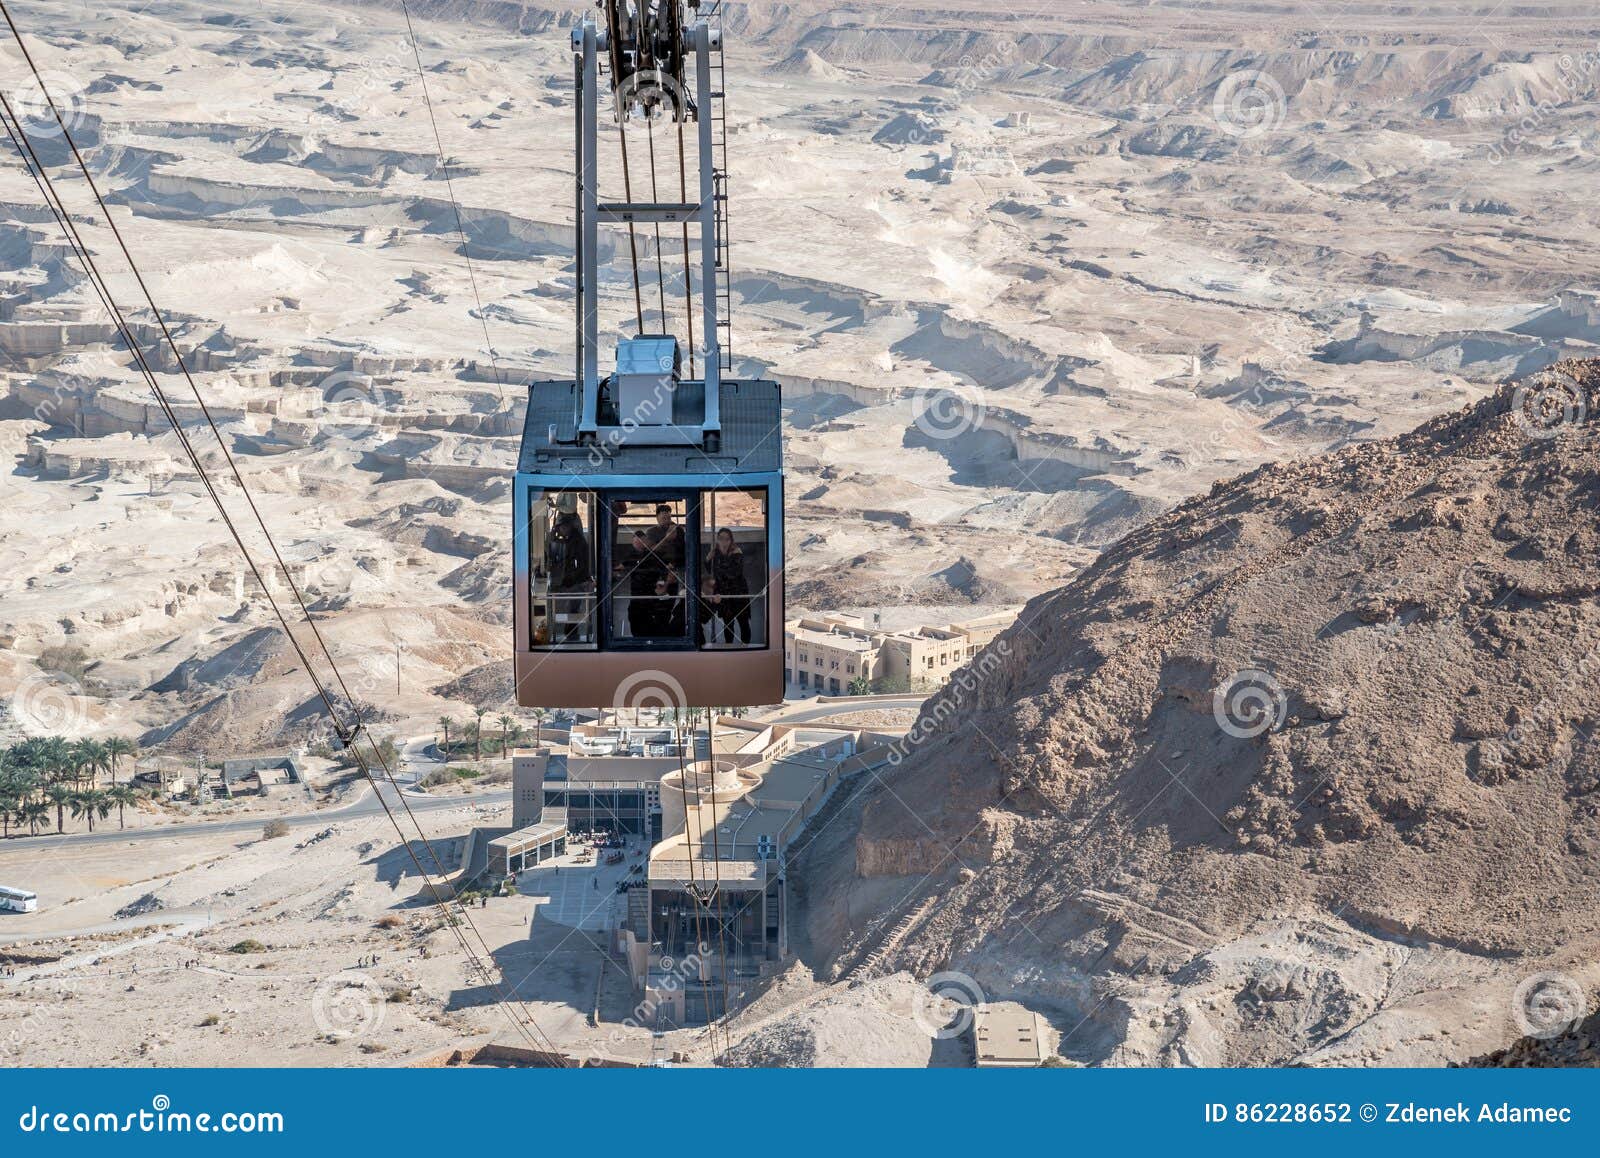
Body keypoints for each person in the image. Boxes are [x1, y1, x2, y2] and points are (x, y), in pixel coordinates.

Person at [706, 527, 752, 644]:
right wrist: (707, 559)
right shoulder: (715, 553)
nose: (724, 542)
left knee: (743, 622)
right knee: (728, 623)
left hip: (738, 592)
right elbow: (710, 571)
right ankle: (729, 648)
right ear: (717, 540)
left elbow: (733, 573)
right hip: (724, 593)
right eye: (721, 539)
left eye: (727, 539)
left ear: (731, 540)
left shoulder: (737, 553)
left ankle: (746, 648)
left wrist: (719, 566)